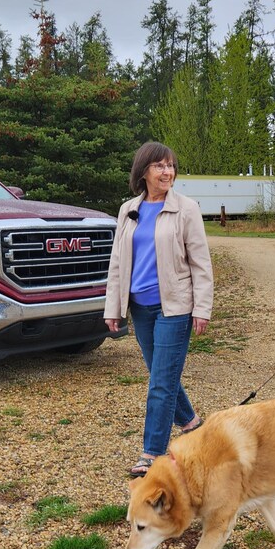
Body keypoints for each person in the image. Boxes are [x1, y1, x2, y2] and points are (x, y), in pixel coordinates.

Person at [105, 142, 214, 477]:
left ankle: (151, 453)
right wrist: (113, 307)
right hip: (140, 307)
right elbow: (117, 263)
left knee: (161, 384)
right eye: (160, 167)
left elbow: (201, 262)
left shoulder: (186, 208)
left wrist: (202, 308)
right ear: (143, 172)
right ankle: (193, 424)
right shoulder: (128, 209)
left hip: (175, 307)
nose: (167, 172)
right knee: (161, 376)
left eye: (170, 166)